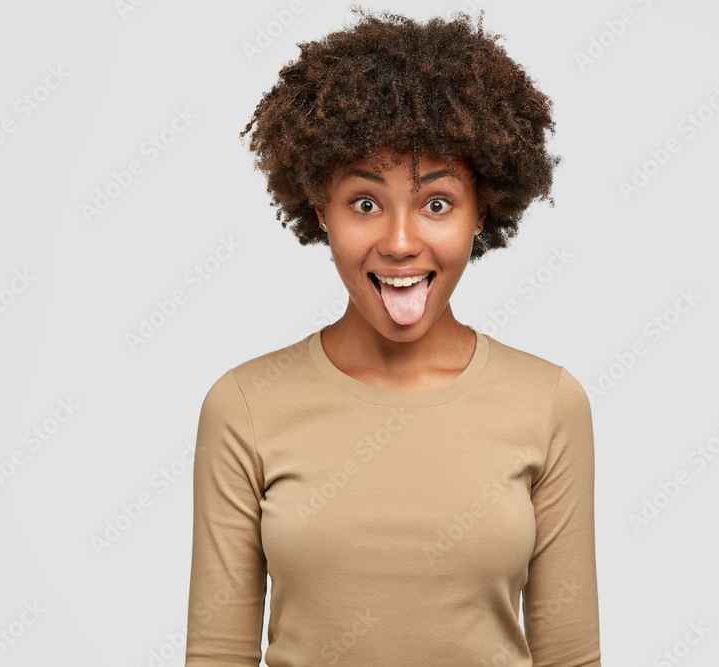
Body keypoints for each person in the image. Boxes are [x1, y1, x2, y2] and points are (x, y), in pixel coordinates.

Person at [184, 8, 600, 666]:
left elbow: (571, 657)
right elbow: (216, 655)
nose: (401, 242)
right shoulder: (244, 406)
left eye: (436, 203)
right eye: (365, 202)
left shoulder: (549, 402)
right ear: (320, 206)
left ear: (480, 208)